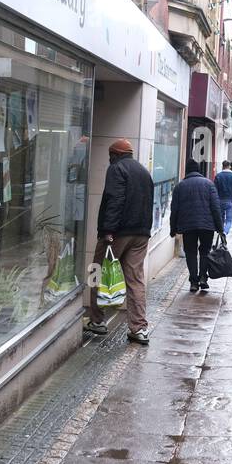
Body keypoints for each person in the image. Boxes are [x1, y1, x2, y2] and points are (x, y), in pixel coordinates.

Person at [84, 138, 154, 344]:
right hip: (141, 233)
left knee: (97, 271)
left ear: (115, 155)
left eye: (110, 156)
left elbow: (115, 199)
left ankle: (97, 320)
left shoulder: (117, 169)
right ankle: (138, 328)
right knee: (135, 279)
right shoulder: (143, 171)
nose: (109, 160)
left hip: (118, 233)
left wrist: (107, 230)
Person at [171, 160, 223, 293]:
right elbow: (216, 208)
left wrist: (173, 228)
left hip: (188, 225)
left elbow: (174, 209)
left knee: (191, 253)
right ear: (199, 170)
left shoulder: (180, 186)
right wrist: (220, 227)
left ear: (186, 171)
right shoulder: (209, 184)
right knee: (205, 251)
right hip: (207, 225)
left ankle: (194, 281)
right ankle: (203, 278)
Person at [213, 160, 232, 234]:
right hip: (230, 200)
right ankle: (225, 232)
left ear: (223, 166)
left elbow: (214, 189)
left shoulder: (218, 176)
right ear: (229, 166)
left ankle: (221, 232)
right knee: (229, 220)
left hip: (220, 200)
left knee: (221, 219)